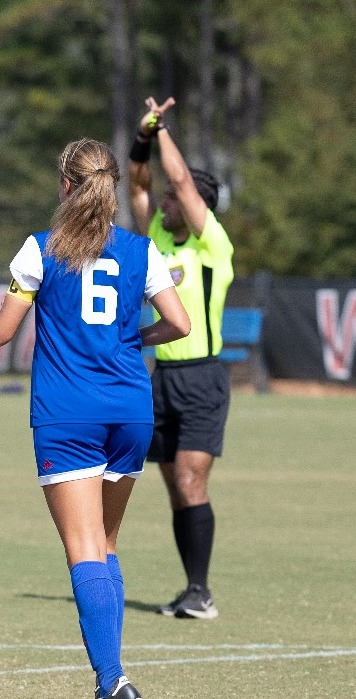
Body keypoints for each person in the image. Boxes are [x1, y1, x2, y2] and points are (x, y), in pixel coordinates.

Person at [0, 139, 190, 699]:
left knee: (83, 551)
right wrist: (134, 339)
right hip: (131, 408)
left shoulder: (40, 249)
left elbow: (2, 334)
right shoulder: (141, 249)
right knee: (104, 543)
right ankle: (110, 679)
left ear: (64, 186)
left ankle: (111, 681)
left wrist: (29, 297)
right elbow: (180, 324)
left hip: (66, 413)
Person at [127, 96, 236, 621]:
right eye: (166, 199)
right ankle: (193, 588)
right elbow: (137, 182)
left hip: (202, 378)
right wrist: (144, 135)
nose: (165, 204)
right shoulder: (156, 244)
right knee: (175, 487)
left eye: (174, 200)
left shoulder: (211, 245)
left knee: (193, 482)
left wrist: (164, 127)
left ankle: (203, 591)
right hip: (163, 378)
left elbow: (185, 186)